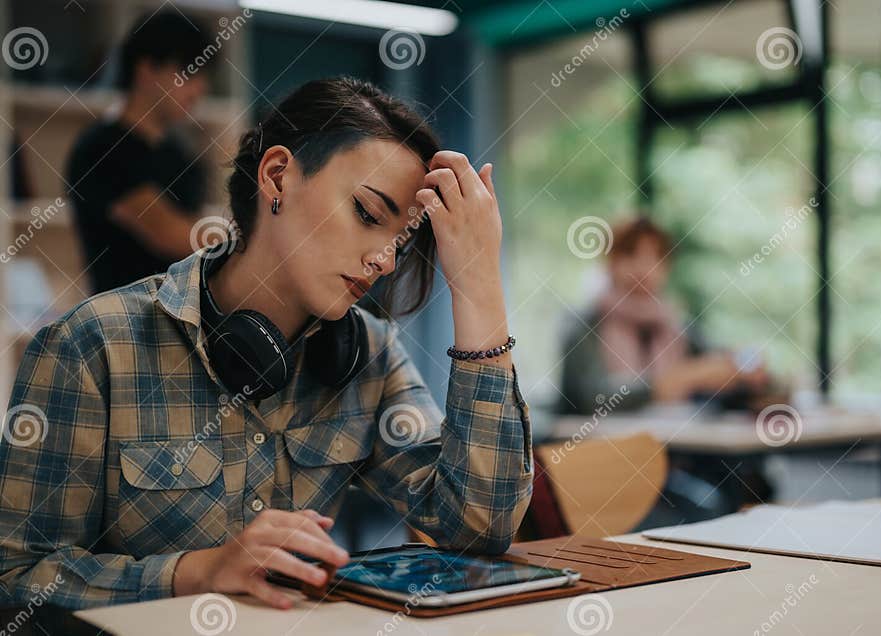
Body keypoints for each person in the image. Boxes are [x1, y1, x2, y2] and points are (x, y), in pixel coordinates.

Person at [0, 77, 532, 611]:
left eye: (402, 238)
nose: (386, 260)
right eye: (368, 215)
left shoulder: (369, 354)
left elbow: (478, 528)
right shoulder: (90, 346)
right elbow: (15, 577)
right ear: (277, 176)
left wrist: (480, 286)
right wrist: (200, 571)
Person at [559, 216, 768, 414]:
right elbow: (587, 399)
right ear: (610, 262)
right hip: (601, 448)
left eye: (656, 257)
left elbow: (716, 363)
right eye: (631, 254)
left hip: (677, 445)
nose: (644, 269)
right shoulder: (583, 324)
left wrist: (743, 365)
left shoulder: (676, 326)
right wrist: (667, 384)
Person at [67, 10, 212, 293]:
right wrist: (244, 238)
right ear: (146, 70)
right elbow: (167, 233)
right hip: (121, 323)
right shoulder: (101, 148)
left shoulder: (181, 156)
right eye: (188, 72)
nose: (199, 88)